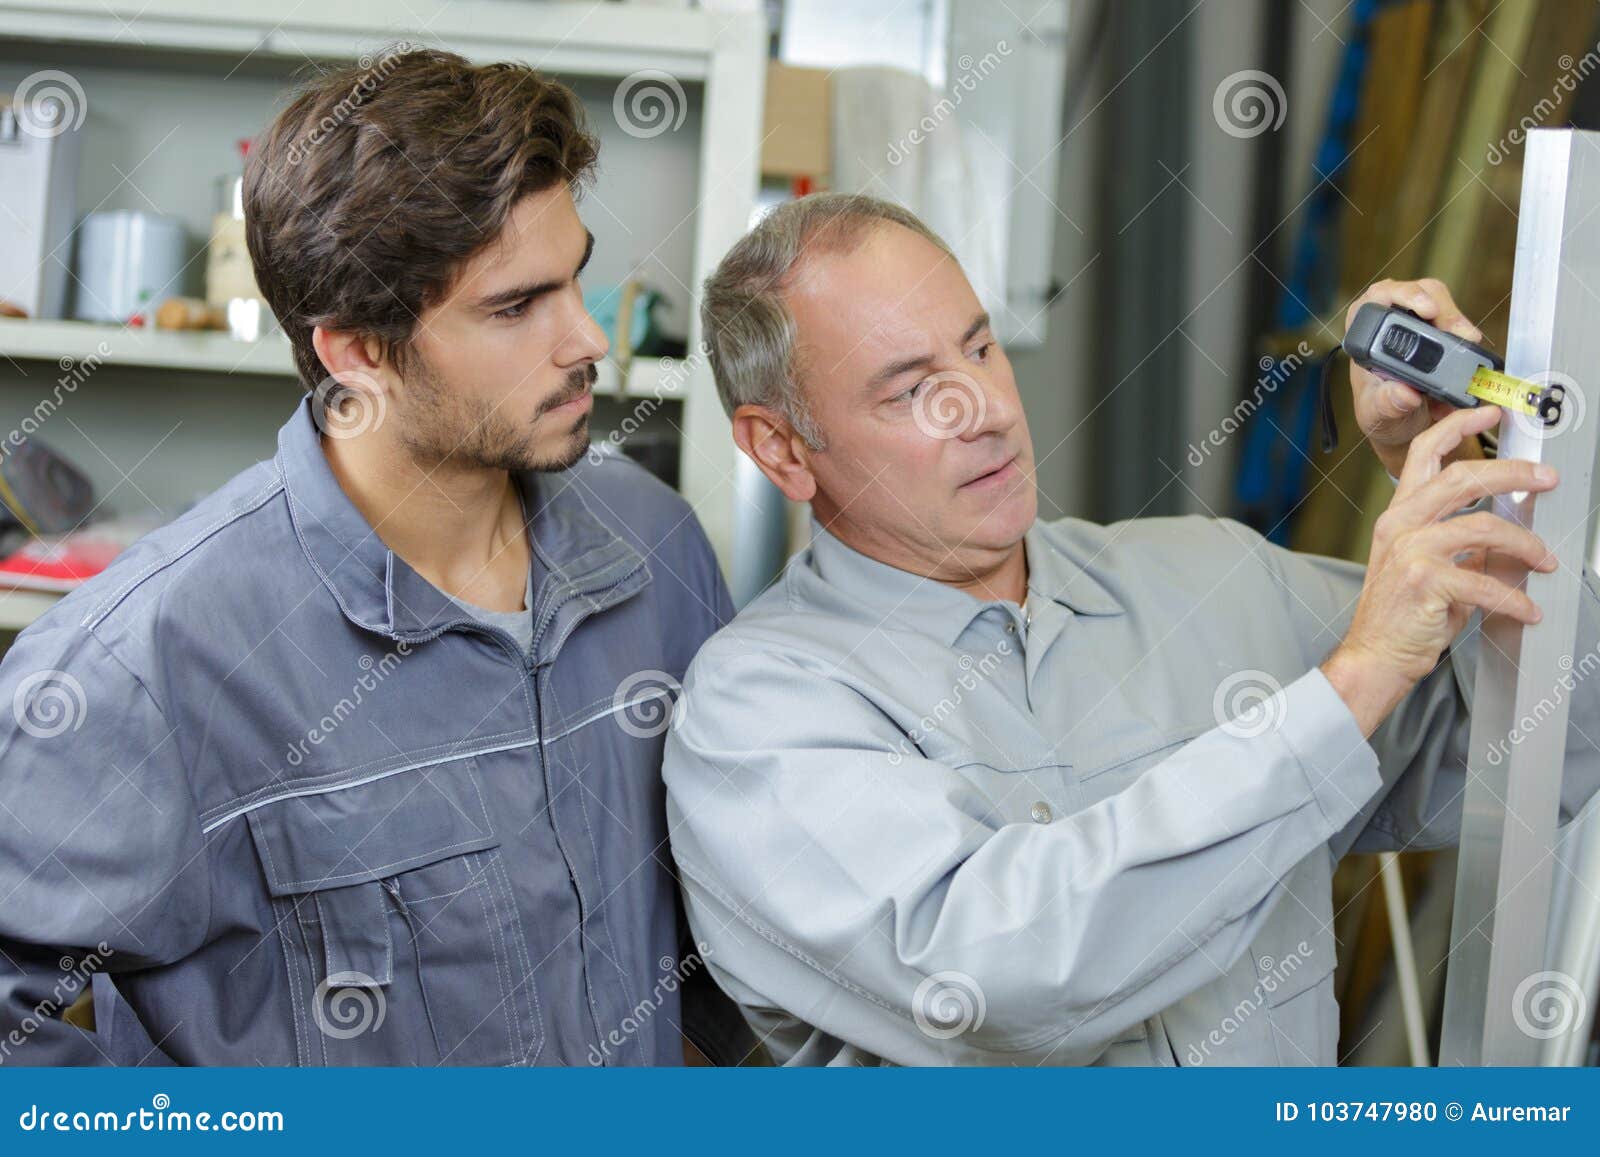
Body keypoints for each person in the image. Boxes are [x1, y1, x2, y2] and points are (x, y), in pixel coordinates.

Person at [662, 192, 1600, 1065]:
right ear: (781, 447)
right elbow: (1003, 977)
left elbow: (1558, 742)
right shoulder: (759, 714)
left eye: (980, 349)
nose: (985, 411)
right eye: (909, 390)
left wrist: (1457, 498)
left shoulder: (1215, 579)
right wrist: (1351, 683)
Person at [0, 48, 747, 1066]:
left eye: (575, 275)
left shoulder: (656, 546)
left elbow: (719, 951)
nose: (585, 338)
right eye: (515, 305)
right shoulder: (139, 666)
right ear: (355, 350)